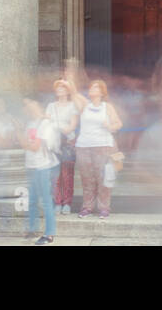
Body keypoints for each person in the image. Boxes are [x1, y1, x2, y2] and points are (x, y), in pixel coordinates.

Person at [74, 79, 121, 218]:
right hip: (84, 146)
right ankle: (87, 207)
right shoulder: (84, 105)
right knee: (87, 178)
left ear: (102, 91)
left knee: (103, 178)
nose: (92, 89)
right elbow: (74, 92)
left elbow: (118, 123)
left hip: (103, 145)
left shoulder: (107, 107)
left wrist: (110, 126)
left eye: (95, 87)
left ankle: (104, 207)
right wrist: (70, 77)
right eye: (91, 87)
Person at [21, 98, 60, 244]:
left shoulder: (45, 123)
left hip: (44, 166)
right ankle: (32, 228)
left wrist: (26, 142)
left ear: (38, 106)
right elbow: (24, 143)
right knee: (32, 200)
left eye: (30, 103)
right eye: (25, 105)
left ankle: (49, 234)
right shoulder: (30, 123)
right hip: (31, 165)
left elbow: (35, 146)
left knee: (46, 201)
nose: (27, 107)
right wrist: (22, 135)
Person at [45, 79, 80, 214]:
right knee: (55, 175)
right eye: (58, 87)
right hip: (54, 142)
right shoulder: (50, 106)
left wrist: (60, 127)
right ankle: (58, 202)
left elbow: (72, 125)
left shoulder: (72, 106)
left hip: (67, 142)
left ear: (67, 90)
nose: (60, 89)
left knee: (67, 174)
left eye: (63, 87)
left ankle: (67, 203)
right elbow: (46, 122)